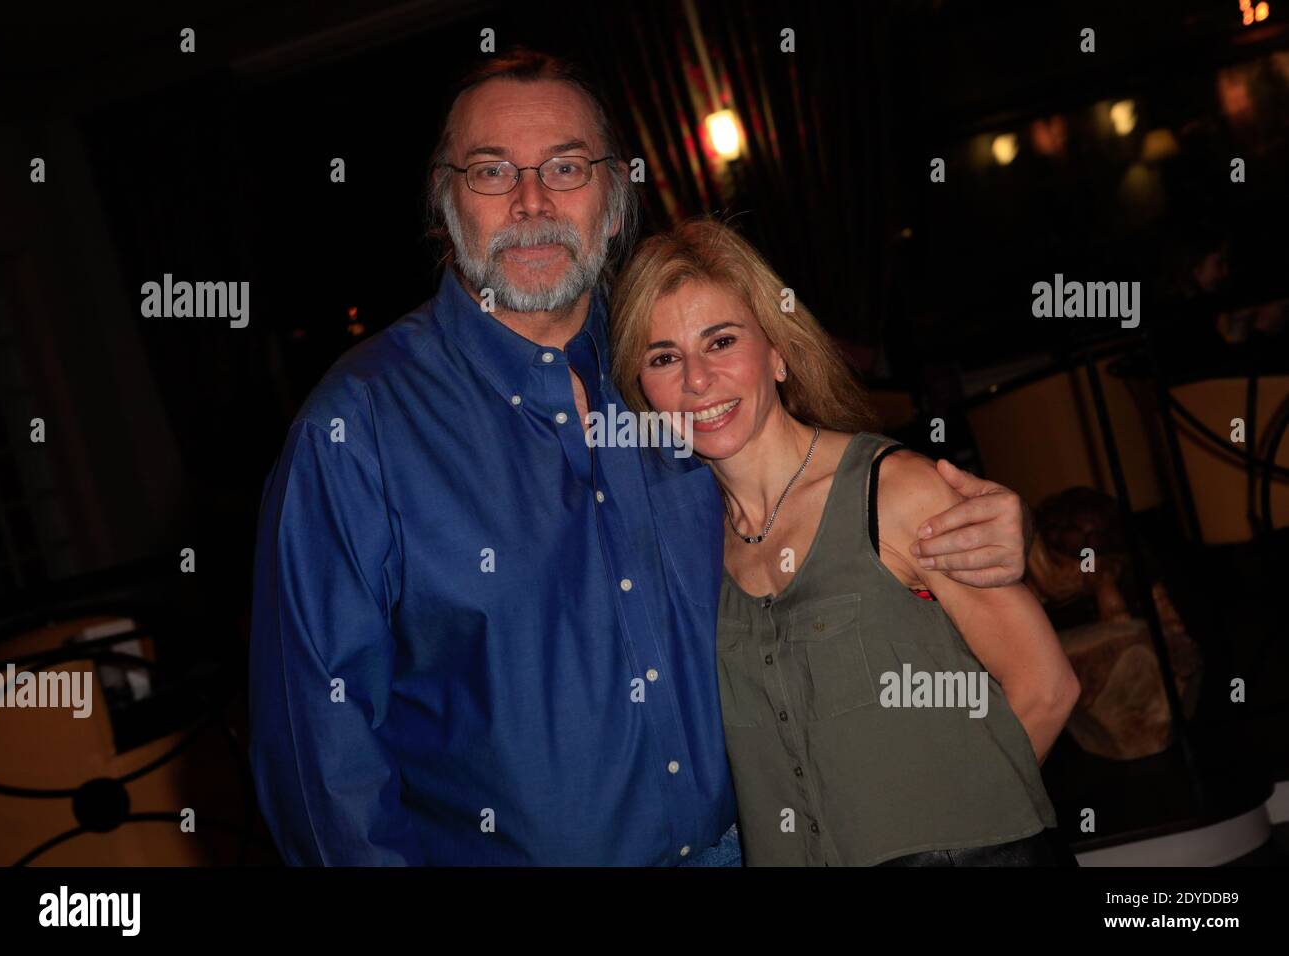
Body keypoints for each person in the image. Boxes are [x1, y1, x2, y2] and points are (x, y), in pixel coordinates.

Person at [247, 49, 1034, 866]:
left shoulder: (677, 373)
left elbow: (831, 516)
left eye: (565, 166)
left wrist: (975, 535)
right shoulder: (356, 432)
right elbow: (321, 767)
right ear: (445, 205)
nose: (531, 200)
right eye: (491, 172)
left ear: (615, 199)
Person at [610, 216, 1081, 866]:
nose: (696, 379)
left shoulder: (894, 493)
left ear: (776, 352)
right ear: (642, 391)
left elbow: (1045, 686)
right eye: (664, 357)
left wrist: (959, 836)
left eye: (720, 342)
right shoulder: (687, 549)